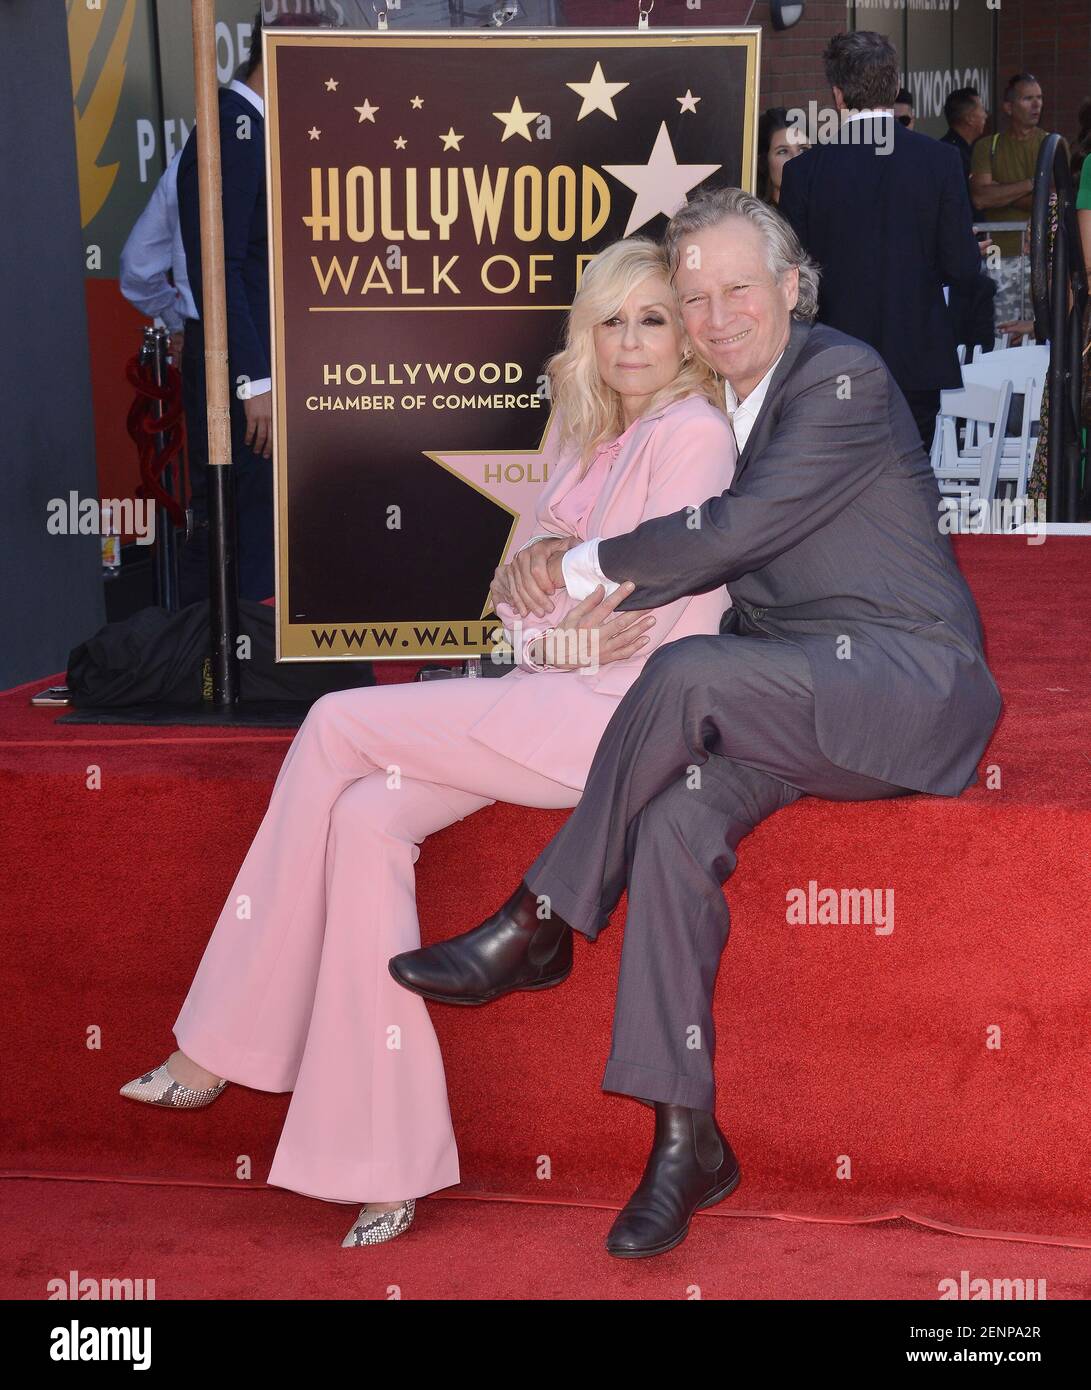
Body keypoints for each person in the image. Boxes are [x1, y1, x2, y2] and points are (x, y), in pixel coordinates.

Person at [390, 187, 1002, 1260]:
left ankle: (539, 920)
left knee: (684, 672)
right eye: (692, 296)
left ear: (791, 288)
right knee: (672, 824)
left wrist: (578, 563)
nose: (714, 316)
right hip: (790, 687)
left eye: (737, 290)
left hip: (905, 686)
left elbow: (740, 529)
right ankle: (686, 1142)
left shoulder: (838, 375)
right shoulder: (711, 410)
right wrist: (551, 593)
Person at [119, 236, 739, 1248]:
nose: (629, 340)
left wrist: (561, 595)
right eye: (611, 319)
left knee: (332, 722)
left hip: (612, 724)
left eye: (653, 318)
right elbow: (512, 603)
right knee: (364, 820)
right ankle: (383, 1157)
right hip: (539, 696)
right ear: (585, 332)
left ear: (685, 339)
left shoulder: (693, 435)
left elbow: (640, 608)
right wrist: (553, 601)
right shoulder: (578, 434)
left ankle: (221, 1041)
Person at [778, 30, 983, 449]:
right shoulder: (939, 161)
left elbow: (792, 280)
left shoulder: (805, 172)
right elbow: (962, 267)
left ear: (837, 95)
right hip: (916, 362)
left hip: (832, 363)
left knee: (838, 493)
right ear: (892, 88)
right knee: (910, 487)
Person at [175, 14, 275, 604]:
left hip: (249, 367)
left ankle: (234, 660)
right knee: (231, 523)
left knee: (242, 523)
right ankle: (209, 663)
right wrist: (252, 382)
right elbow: (219, 268)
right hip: (237, 377)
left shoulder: (252, 126)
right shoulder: (231, 127)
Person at [970, 73, 1058, 322]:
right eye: (1028, 98)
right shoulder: (988, 146)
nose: (1036, 104)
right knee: (1002, 331)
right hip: (998, 253)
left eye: (1039, 98)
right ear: (1008, 107)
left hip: (1042, 256)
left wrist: (1001, 191)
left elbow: (1052, 201)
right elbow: (980, 199)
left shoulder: (1052, 144)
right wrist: (1033, 184)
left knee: (1042, 332)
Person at [119, 148, 195, 365]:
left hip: (201, 337)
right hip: (273, 335)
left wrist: (179, 325)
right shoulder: (280, 149)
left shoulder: (187, 159)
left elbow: (137, 267)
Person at [755, 106, 809, 205]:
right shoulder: (753, 218)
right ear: (764, 161)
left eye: (803, 149)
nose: (795, 158)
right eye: (783, 151)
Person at [940, 86, 988, 193]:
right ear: (969, 119)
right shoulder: (951, 154)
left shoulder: (970, 149)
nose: (985, 115)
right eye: (982, 109)